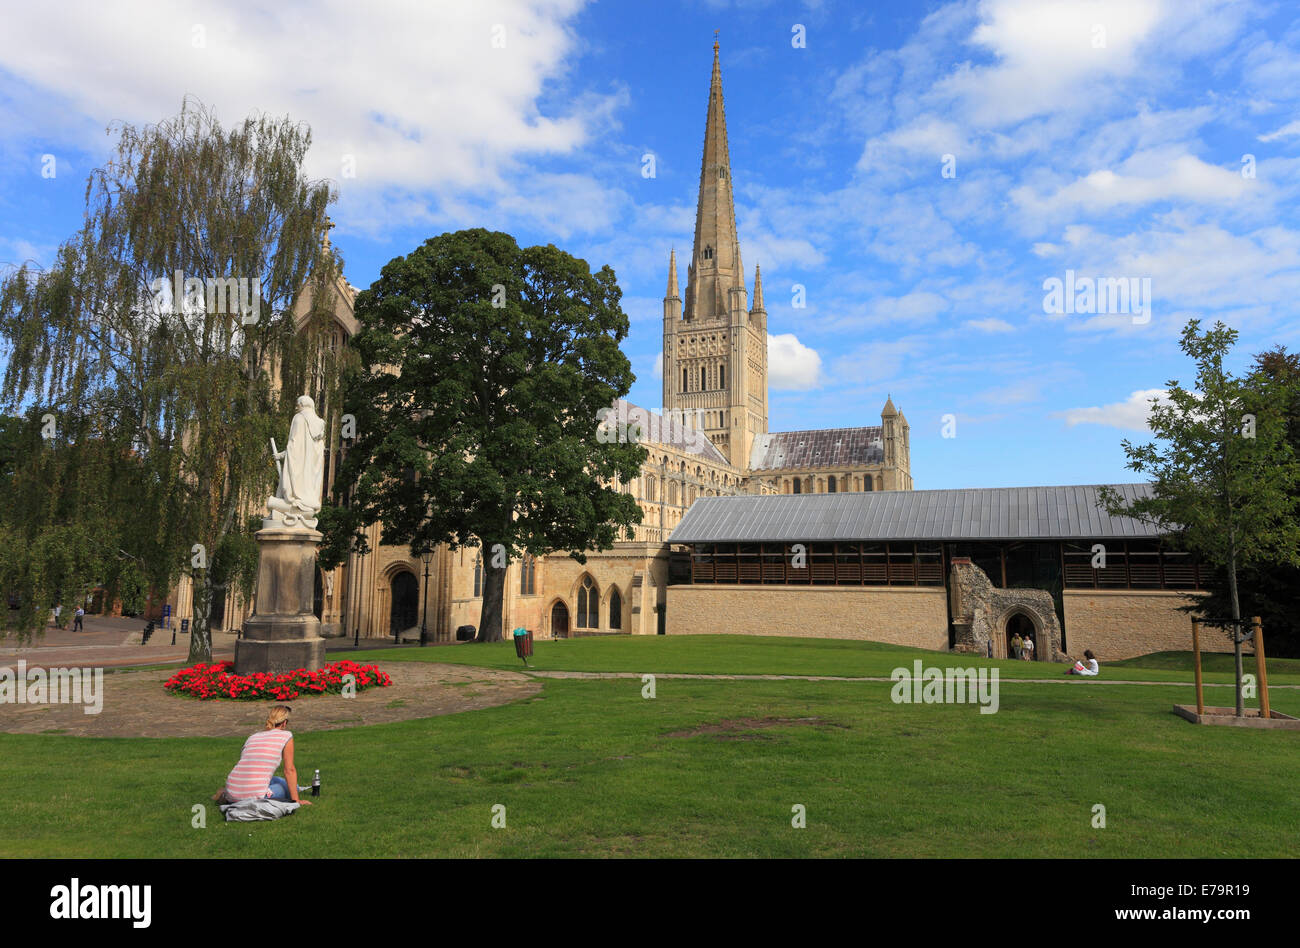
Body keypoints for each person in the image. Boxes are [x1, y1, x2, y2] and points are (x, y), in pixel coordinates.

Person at [215, 705, 312, 806]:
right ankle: (247, 797)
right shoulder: (286, 735)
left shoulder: (252, 737)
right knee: (291, 788)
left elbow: (247, 767)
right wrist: (296, 801)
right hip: (255, 796)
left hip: (231, 790)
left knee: (275, 780)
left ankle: (228, 794)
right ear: (284, 723)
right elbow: (289, 770)